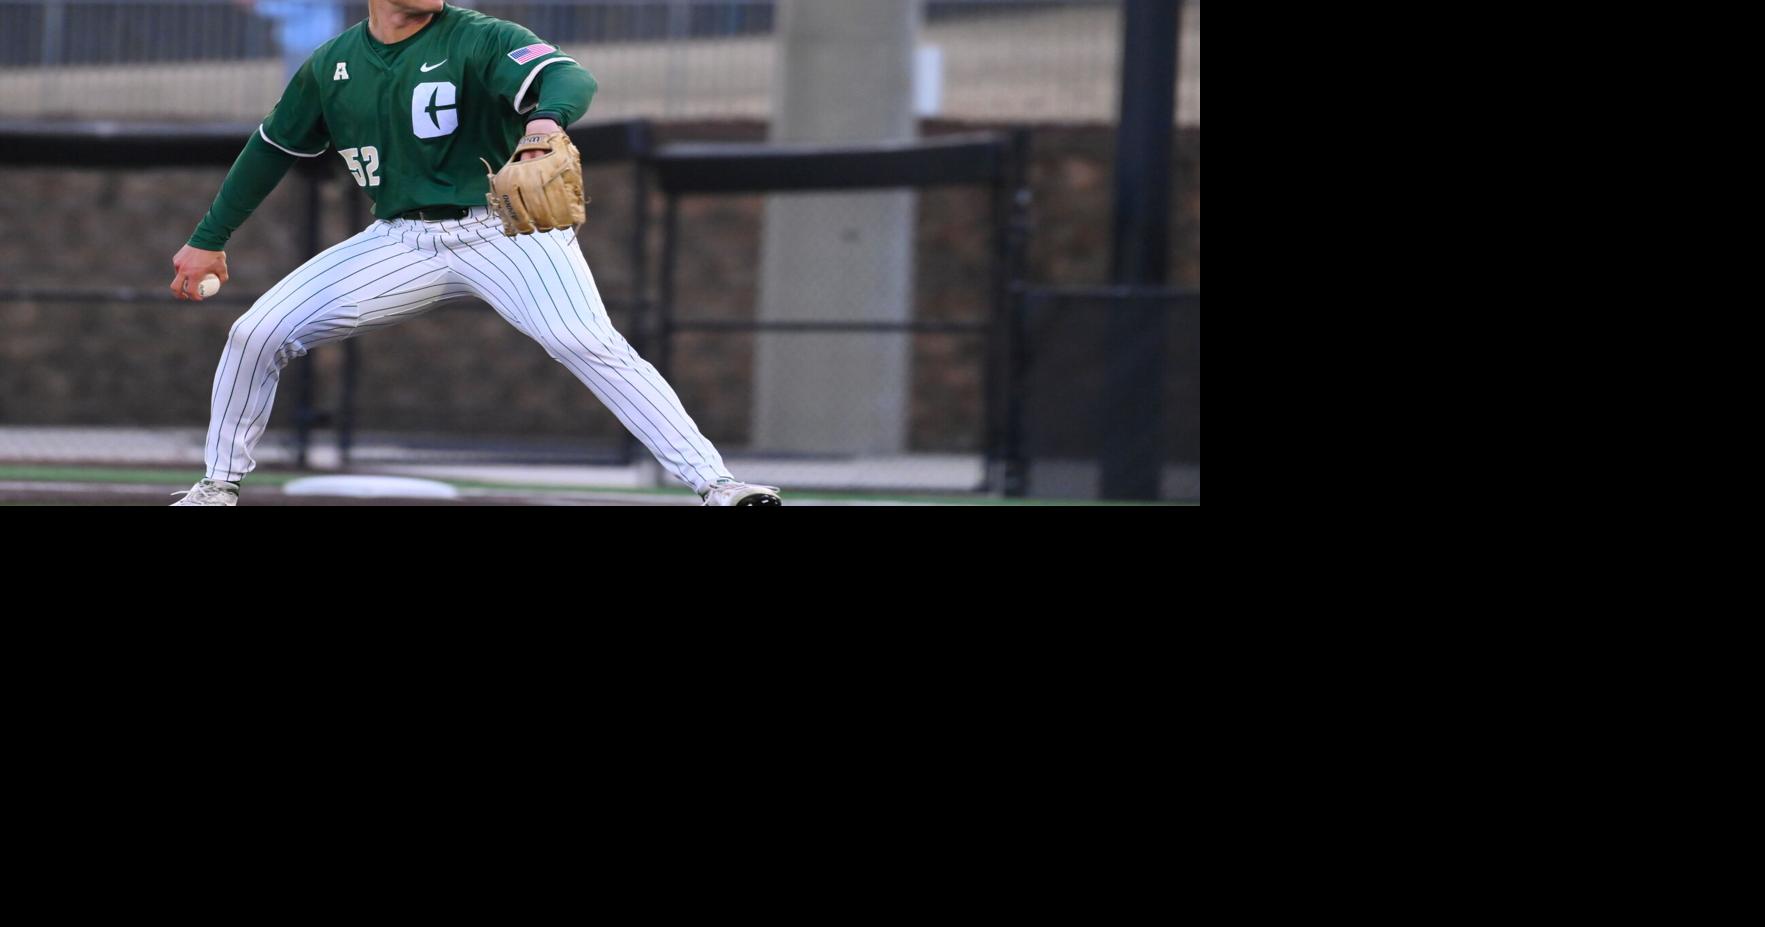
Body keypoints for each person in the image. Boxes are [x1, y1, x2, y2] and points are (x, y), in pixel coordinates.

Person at [168, 0, 781, 506]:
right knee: (256, 331)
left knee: (585, 340)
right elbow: (271, 147)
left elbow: (570, 78)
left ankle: (718, 485)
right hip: (400, 239)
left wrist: (545, 124)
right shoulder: (332, 64)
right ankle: (217, 486)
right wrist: (209, 238)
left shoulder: (481, 37)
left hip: (505, 231)